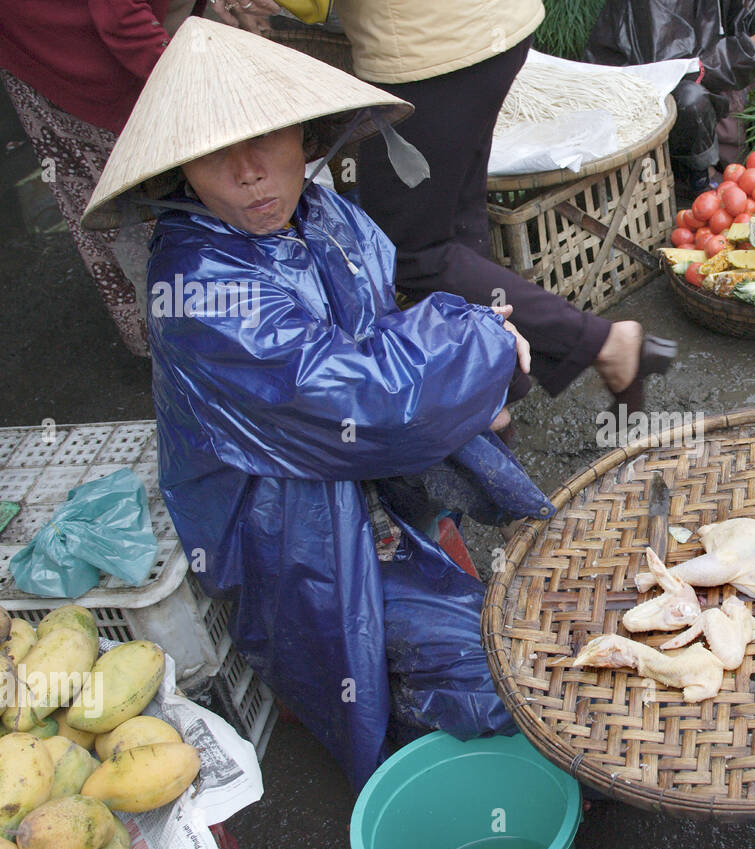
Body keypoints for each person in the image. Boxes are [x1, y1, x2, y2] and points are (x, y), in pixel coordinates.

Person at [82, 18, 551, 791]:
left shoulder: (327, 216)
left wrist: (473, 366)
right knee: (505, 676)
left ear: (307, 135)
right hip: (288, 536)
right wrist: (482, 348)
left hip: (365, 489)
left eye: (267, 140)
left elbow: (379, 336)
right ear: (179, 173)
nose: (248, 172)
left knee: (529, 628)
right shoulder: (200, 289)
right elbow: (362, 397)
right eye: (213, 154)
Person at [330, 0, 676, 415]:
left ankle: (603, 343)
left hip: (428, 50)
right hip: (491, 29)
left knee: (412, 252)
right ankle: (497, 391)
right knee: (456, 225)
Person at [0, 0, 279, 357]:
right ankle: (183, 341)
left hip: (107, 37)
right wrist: (197, 89)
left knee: (169, 199)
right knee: (138, 200)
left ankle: (194, 328)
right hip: (70, 51)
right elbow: (122, 22)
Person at [584, 1, 755, 196]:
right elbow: (673, 72)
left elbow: (742, 19)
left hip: (697, 72)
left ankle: (724, 168)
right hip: (636, 102)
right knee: (690, 99)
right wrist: (754, 48)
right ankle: (695, 182)